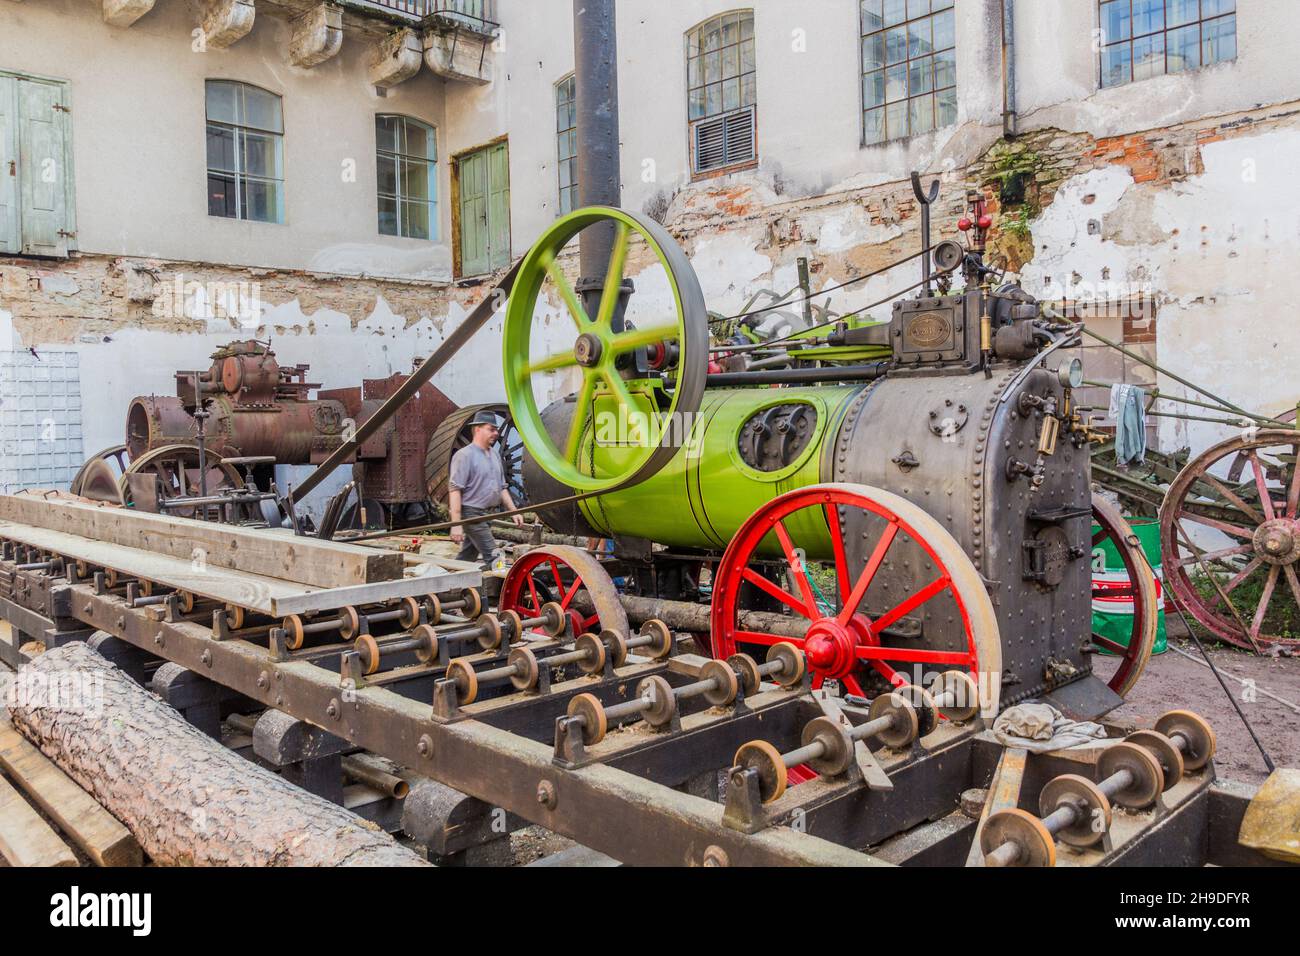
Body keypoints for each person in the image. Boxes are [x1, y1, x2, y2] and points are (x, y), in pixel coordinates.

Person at [448, 411, 524, 568]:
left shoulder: (495, 455)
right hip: (472, 515)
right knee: (496, 558)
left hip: (488, 514)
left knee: (466, 558)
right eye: (491, 429)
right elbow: (455, 490)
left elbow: (502, 488)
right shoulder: (464, 456)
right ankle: (500, 590)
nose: (496, 433)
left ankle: (452, 586)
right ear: (477, 430)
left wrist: (514, 512)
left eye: (496, 429)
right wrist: (456, 524)